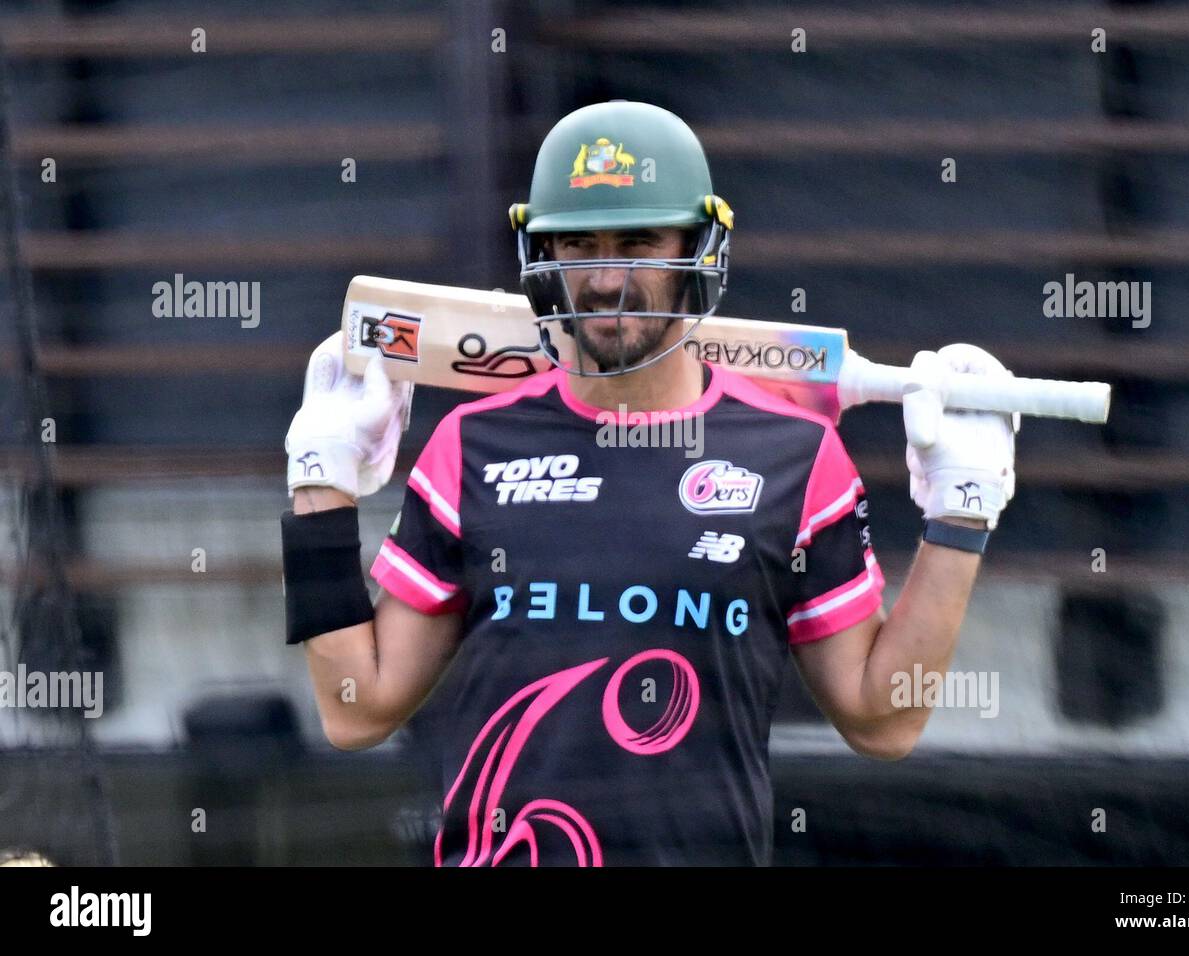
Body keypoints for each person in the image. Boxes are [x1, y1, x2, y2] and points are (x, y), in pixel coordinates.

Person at [281, 100, 1017, 866]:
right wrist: (320, 484)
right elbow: (353, 711)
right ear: (542, 255)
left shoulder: (797, 456)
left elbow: (882, 722)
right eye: (580, 245)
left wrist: (960, 516)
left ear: (699, 249)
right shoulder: (473, 445)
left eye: (637, 243)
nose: (604, 279)